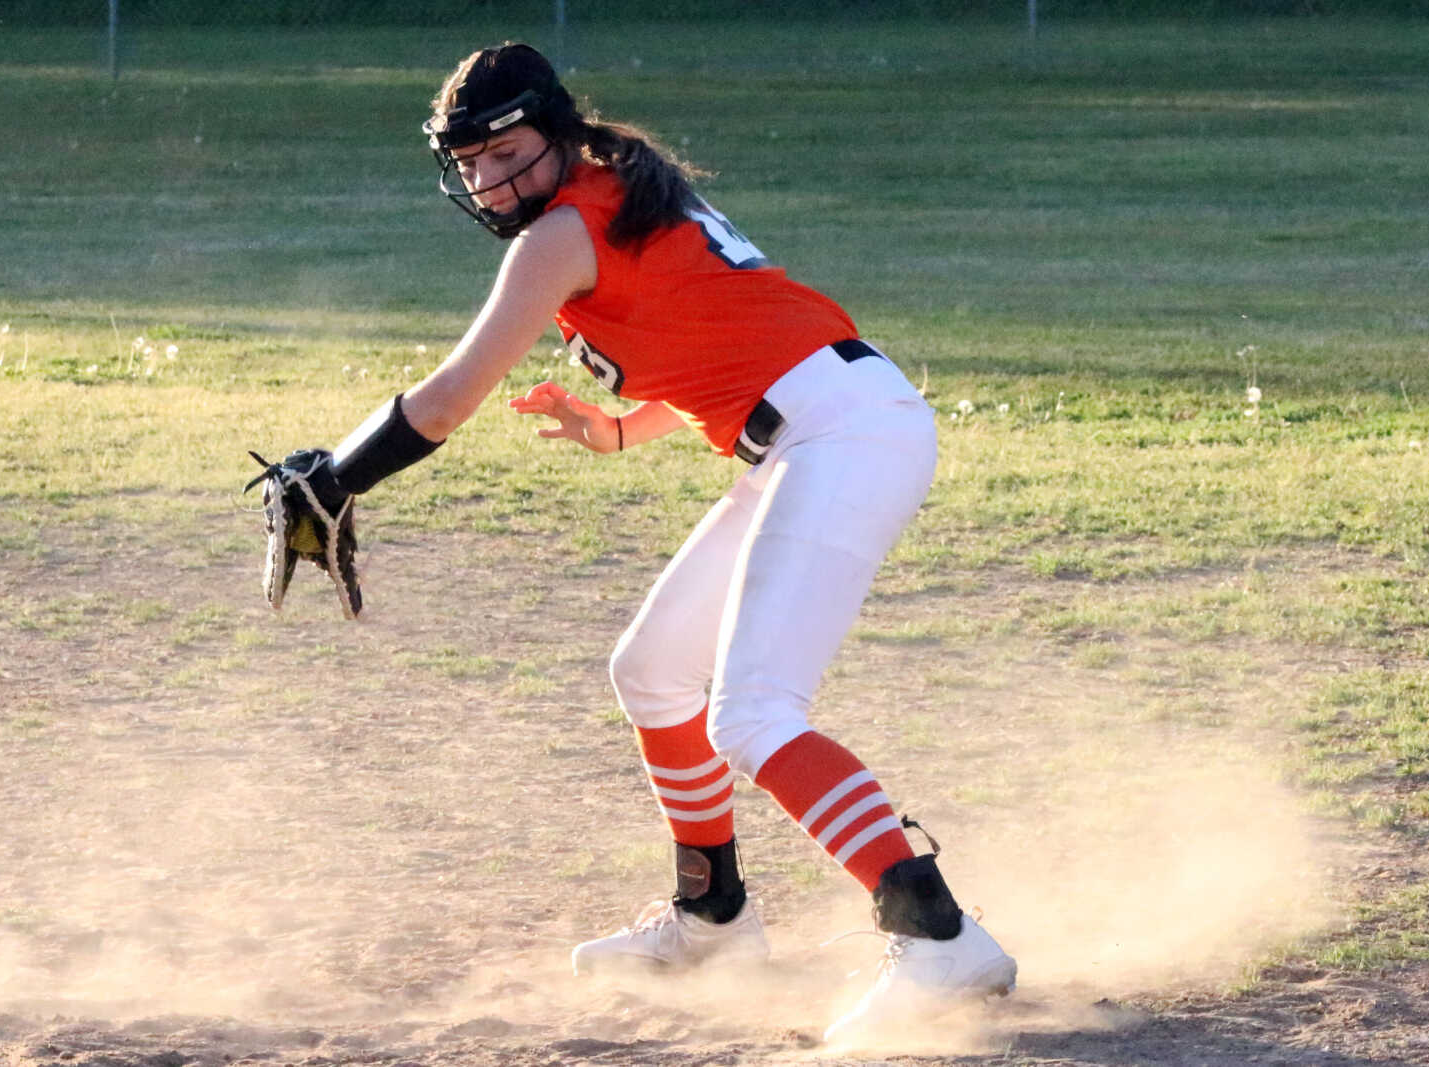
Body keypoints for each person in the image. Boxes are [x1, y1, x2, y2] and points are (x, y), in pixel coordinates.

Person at [285, 42, 1015, 1043]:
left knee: (753, 713)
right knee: (654, 671)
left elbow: (452, 396)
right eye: (468, 164)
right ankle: (712, 917)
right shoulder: (614, 186)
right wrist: (621, 426)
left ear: (553, 128)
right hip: (828, 416)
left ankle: (937, 935)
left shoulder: (562, 232)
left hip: (841, 431)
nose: (488, 178)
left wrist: (337, 476)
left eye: (504, 151)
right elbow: (727, 336)